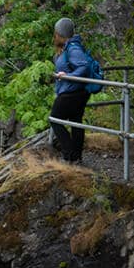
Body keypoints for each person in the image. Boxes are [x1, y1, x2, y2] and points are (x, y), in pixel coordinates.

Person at [50, 17, 91, 162]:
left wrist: (68, 76)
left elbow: (83, 67)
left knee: (55, 119)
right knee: (76, 122)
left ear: (60, 34)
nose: (54, 36)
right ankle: (76, 157)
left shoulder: (73, 48)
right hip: (77, 91)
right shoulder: (69, 47)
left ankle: (69, 154)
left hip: (71, 91)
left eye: (56, 33)